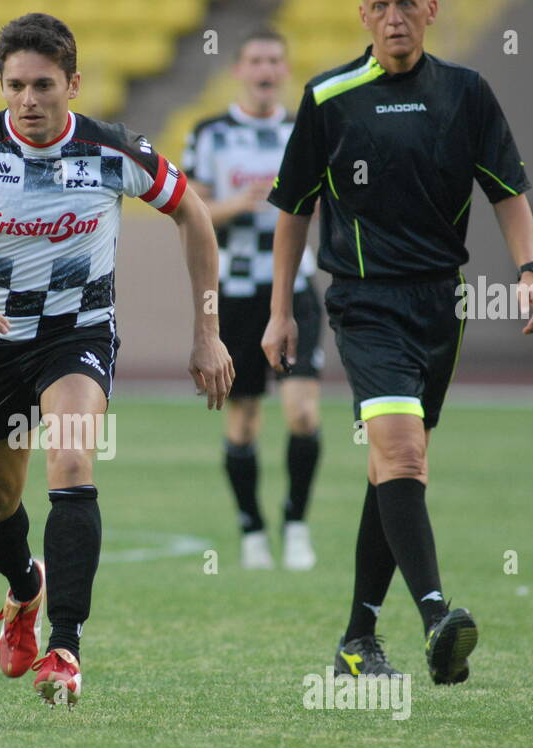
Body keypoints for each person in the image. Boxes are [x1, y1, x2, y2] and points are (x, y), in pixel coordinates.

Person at [0, 13, 233, 706]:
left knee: (72, 461)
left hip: (77, 336)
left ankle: (65, 648)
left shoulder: (111, 150)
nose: (29, 100)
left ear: (73, 84)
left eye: (44, 85)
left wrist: (207, 331)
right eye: (15, 85)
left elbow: (192, 213)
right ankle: (25, 588)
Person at [263, 0, 533, 683]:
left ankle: (358, 640)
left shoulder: (466, 93)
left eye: (406, 3)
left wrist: (531, 272)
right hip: (365, 302)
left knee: (396, 468)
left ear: (431, 10)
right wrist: (282, 313)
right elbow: (292, 208)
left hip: (440, 303)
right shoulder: (329, 97)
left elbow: (507, 191)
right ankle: (434, 620)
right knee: (401, 452)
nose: (394, 15)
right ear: (364, 14)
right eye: (379, 4)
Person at [184, 27, 324, 572]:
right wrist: (236, 205)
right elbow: (190, 210)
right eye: (256, 60)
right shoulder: (210, 133)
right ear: (239, 70)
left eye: (274, 60)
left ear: (285, 70)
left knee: (304, 413)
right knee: (243, 420)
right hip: (236, 290)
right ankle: (251, 530)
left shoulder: (304, 129)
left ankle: (295, 523)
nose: (265, 70)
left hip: (291, 287)